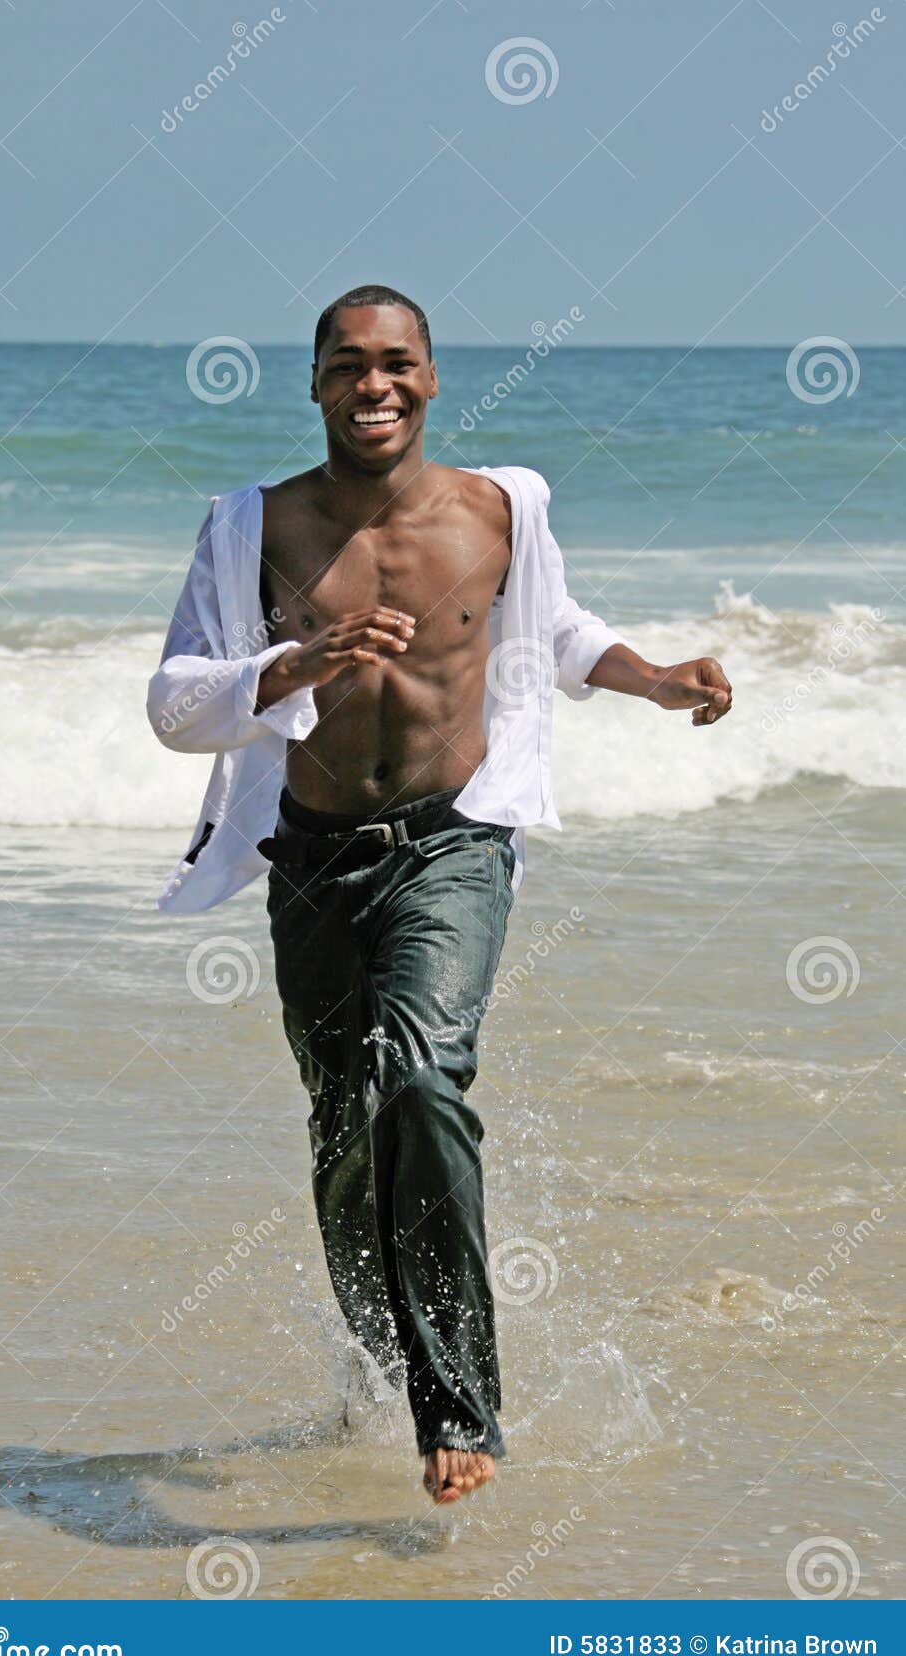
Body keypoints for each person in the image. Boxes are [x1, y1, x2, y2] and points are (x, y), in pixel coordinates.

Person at [146, 284, 732, 1506]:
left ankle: (455, 1405)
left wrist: (655, 678)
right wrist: (291, 663)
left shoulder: (501, 505)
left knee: (419, 1080)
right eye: (347, 365)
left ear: (428, 375)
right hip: (311, 857)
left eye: (395, 363)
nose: (374, 385)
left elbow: (554, 631)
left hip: (452, 843)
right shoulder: (251, 525)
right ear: (314, 382)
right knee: (343, 1136)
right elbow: (174, 704)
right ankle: (380, 1367)